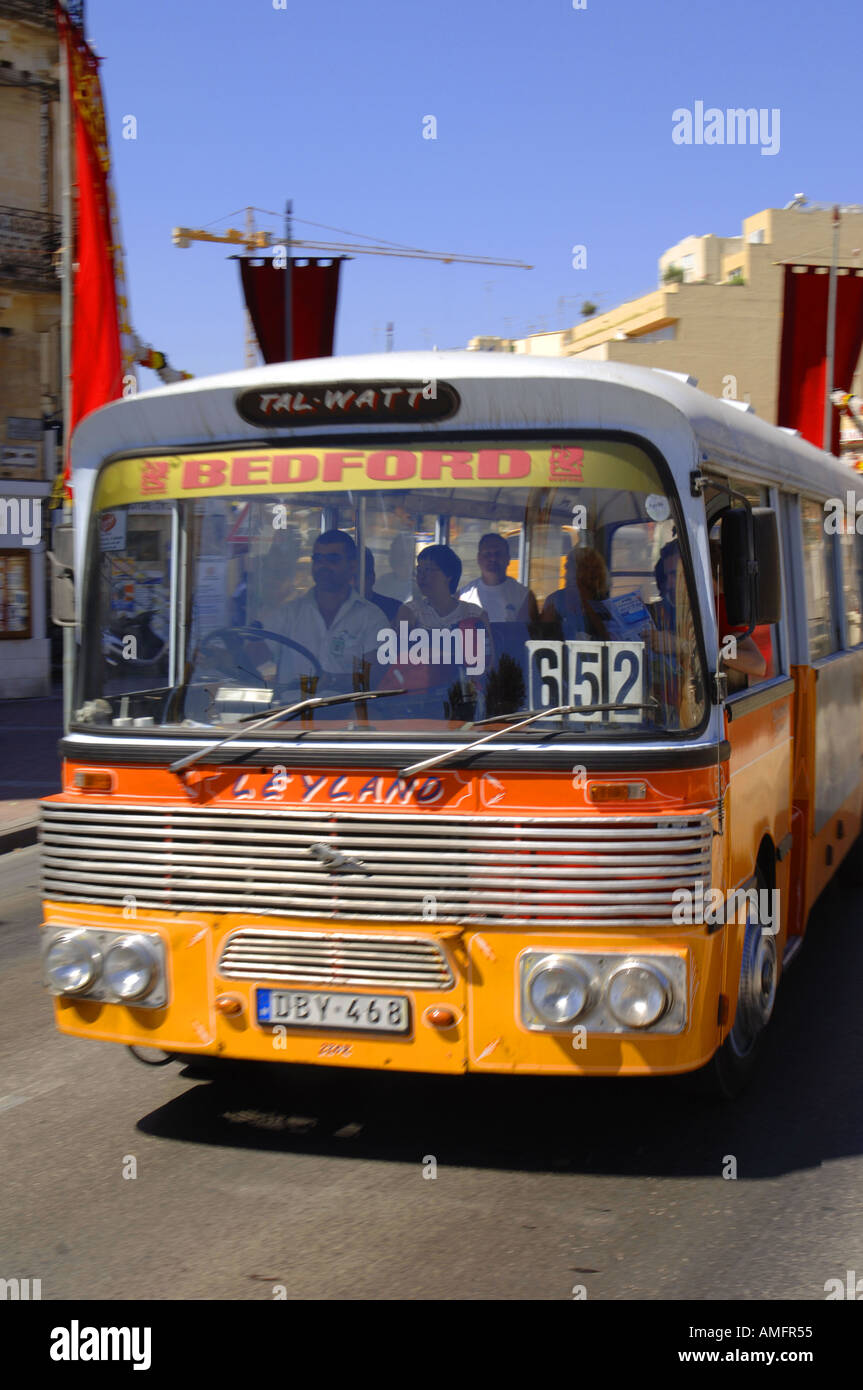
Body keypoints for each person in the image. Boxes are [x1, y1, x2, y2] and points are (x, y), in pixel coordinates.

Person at [277, 530, 385, 688]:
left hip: (345, 709)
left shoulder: (371, 618)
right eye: (318, 559)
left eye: (332, 559)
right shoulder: (289, 614)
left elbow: (374, 678)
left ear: (352, 566)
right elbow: (256, 652)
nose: (323, 566)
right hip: (291, 709)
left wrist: (332, 681)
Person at [710, 538, 766, 684]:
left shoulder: (720, 608)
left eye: (675, 575)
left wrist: (703, 653)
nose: (669, 583)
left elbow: (758, 664)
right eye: (664, 577)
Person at [459, 532, 539, 624]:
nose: (493, 559)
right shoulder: (463, 596)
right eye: (487, 554)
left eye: (498, 554)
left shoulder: (525, 597)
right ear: (479, 558)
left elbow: (525, 635)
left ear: (508, 558)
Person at [541, 545, 610, 639]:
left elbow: (609, 637)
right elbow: (544, 638)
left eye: (569, 568)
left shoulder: (604, 601)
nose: (565, 574)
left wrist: (585, 602)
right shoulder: (555, 601)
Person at [362, 549, 401, 623]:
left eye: (356, 577)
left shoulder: (394, 609)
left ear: (371, 578)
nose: (352, 583)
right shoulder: (335, 609)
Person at [375, 533, 416, 603]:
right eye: (396, 553)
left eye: (403, 554)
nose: (401, 559)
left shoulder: (419, 584)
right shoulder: (383, 581)